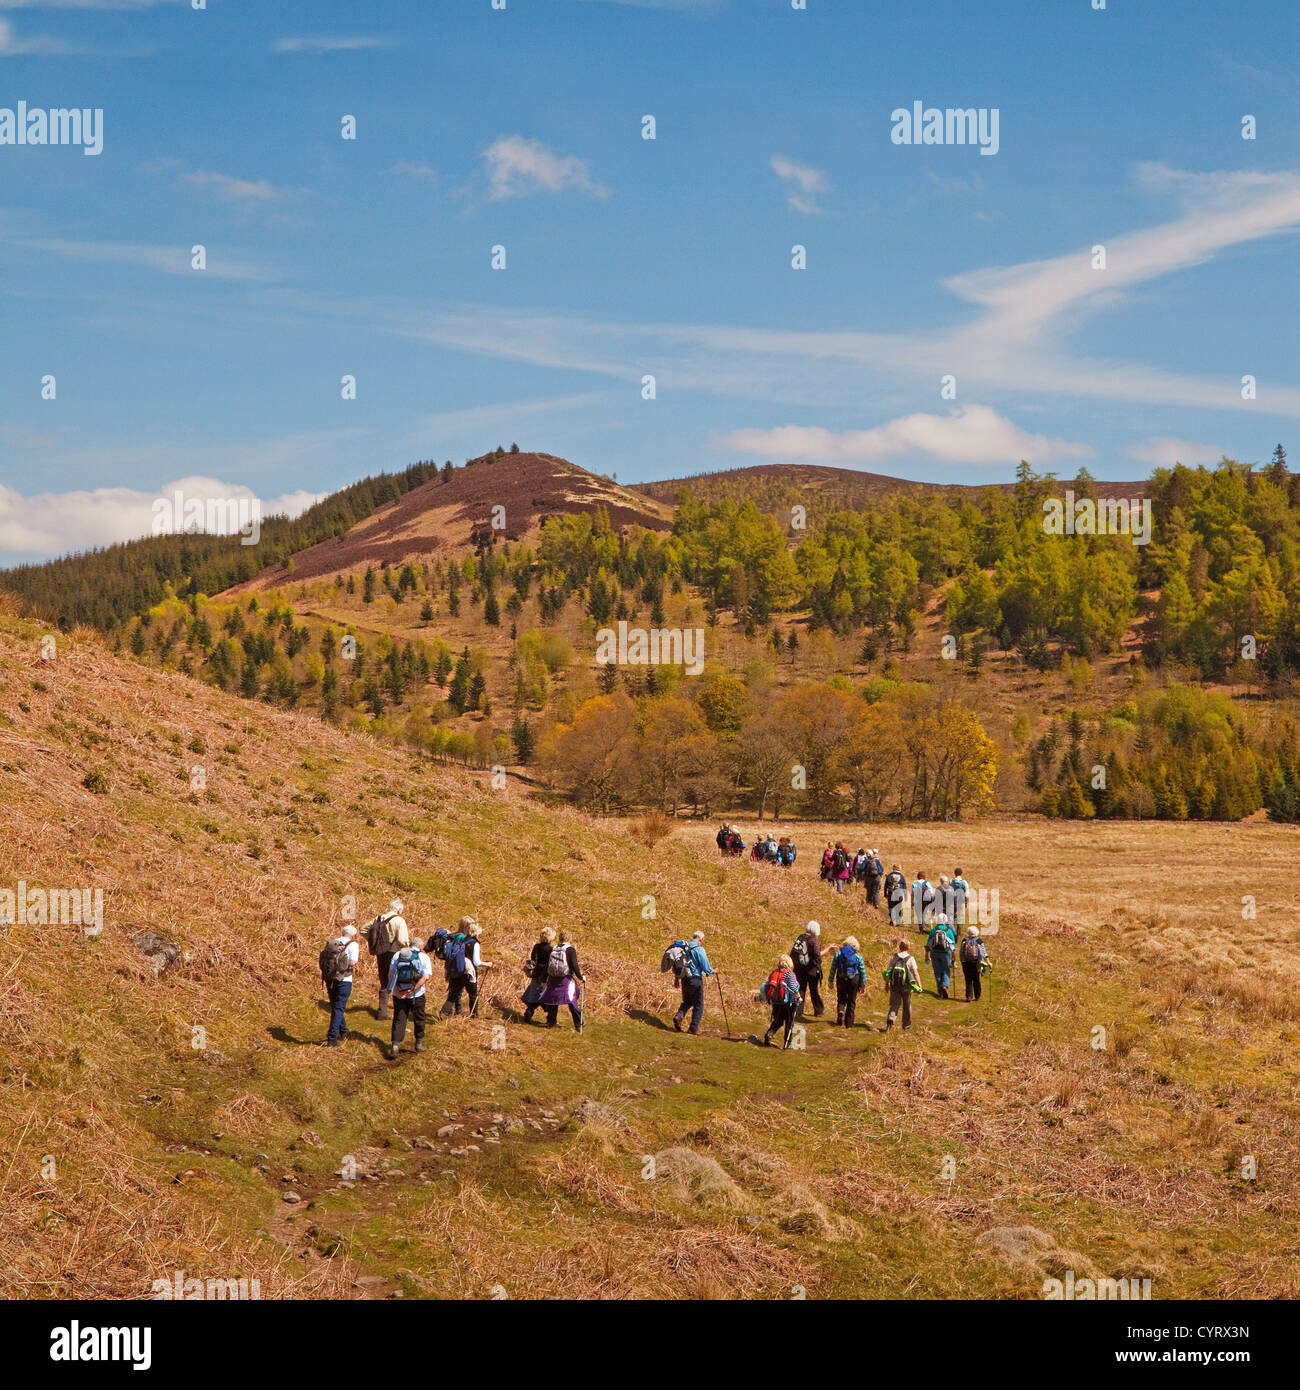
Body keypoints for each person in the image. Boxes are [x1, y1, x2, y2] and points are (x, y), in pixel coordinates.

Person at [386, 936, 432, 1058]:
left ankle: (395, 1046)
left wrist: (396, 990)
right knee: (419, 1018)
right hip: (417, 994)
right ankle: (418, 1044)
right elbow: (425, 977)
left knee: (399, 1018)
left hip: (398, 994)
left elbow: (391, 974)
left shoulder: (397, 955)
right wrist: (412, 990)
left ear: (410, 944)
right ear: (421, 947)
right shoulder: (424, 957)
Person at [367, 898, 409, 1021]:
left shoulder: (379, 918)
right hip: (394, 953)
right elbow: (402, 940)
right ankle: (400, 1011)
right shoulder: (399, 920)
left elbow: (364, 929)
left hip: (381, 953)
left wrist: (374, 943)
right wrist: (407, 948)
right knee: (398, 981)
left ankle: (382, 1012)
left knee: (384, 982)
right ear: (399, 909)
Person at [319, 923, 360, 1046]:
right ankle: (332, 1038)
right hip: (344, 979)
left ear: (342, 933)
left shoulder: (333, 943)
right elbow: (353, 962)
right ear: (353, 936)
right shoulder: (353, 944)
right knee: (339, 1008)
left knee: (335, 1005)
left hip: (329, 978)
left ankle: (343, 1031)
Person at [441, 917, 489, 1017]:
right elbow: (476, 962)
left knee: (453, 994)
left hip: (458, 969)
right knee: (473, 994)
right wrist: (487, 964)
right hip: (469, 972)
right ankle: (474, 1014)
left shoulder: (460, 939)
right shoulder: (474, 943)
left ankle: (444, 1012)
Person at [539, 929, 585, 1030]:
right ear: (569, 938)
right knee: (571, 999)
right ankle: (578, 1024)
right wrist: (580, 977)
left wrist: (543, 979)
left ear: (560, 938)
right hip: (565, 979)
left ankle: (551, 1022)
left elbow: (548, 965)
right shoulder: (570, 950)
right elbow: (574, 965)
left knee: (553, 1000)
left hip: (552, 978)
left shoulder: (554, 949)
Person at [673, 929, 714, 1034]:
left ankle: (679, 1016)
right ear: (701, 939)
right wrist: (713, 971)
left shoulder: (684, 948)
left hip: (684, 978)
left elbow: (678, 963)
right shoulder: (699, 949)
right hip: (695, 979)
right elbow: (705, 966)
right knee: (699, 1004)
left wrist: (676, 978)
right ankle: (693, 1028)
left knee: (687, 1001)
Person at [759, 954, 800, 1049]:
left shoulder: (774, 972)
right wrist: (798, 995)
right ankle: (787, 1043)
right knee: (789, 1023)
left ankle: (769, 1034)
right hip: (789, 1002)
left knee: (778, 1020)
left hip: (776, 1001)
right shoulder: (789, 974)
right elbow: (794, 987)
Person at [827, 935, 866, 1027]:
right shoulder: (857, 956)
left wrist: (830, 980)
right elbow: (862, 971)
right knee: (851, 1001)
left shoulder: (839, 954)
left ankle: (840, 1011)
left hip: (841, 978)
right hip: (854, 979)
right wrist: (862, 984)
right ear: (855, 945)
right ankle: (849, 1023)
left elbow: (833, 968)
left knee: (841, 998)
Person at [882, 939, 921, 1031]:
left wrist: (887, 984)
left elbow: (888, 972)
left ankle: (891, 1019)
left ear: (900, 947)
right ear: (908, 947)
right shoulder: (911, 958)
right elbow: (915, 973)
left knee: (894, 1004)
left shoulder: (894, 957)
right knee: (907, 1005)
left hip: (894, 985)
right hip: (906, 986)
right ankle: (906, 1026)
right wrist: (919, 986)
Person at [521, 925, 555, 1024]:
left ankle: (529, 1011)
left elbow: (532, 958)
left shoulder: (536, 946)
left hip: (536, 973)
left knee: (534, 994)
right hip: (545, 974)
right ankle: (550, 1016)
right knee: (545, 995)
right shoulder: (551, 949)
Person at [791, 920, 824, 1019]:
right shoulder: (813, 940)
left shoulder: (800, 938)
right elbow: (817, 954)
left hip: (799, 969)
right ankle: (818, 1010)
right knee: (814, 990)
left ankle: (798, 1011)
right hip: (812, 969)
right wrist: (827, 949)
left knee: (801, 990)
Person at [926, 914, 956, 999]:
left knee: (937, 972)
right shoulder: (949, 931)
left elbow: (928, 944)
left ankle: (940, 992)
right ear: (945, 920)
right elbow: (952, 945)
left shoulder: (933, 930)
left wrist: (926, 955)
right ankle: (945, 986)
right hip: (946, 953)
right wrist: (954, 957)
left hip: (934, 953)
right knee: (946, 970)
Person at [960, 930, 989, 1002]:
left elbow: (961, 951)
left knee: (968, 980)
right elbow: (984, 952)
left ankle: (969, 996)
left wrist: (962, 961)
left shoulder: (964, 940)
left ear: (968, 932)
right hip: (976, 962)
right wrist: (987, 961)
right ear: (976, 932)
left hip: (966, 962)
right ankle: (977, 996)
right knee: (976, 979)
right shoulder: (979, 940)